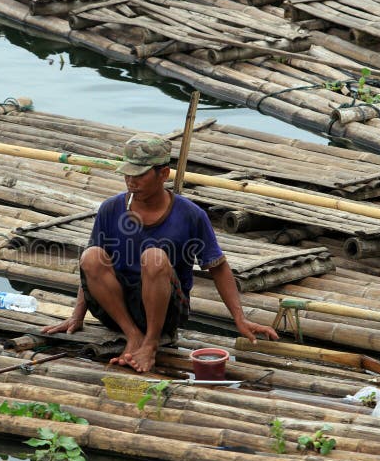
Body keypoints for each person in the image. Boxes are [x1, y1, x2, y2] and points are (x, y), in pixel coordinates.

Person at [42, 133, 278, 373]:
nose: (131, 182)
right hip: (116, 311)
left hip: (165, 314)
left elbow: (218, 267)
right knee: (91, 255)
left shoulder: (190, 214)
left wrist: (239, 318)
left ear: (163, 174)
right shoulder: (111, 208)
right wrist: (77, 317)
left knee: (153, 257)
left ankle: (151, 342)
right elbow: (91, 271)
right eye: (128, 174)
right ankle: (133, 336)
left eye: (140, 175)